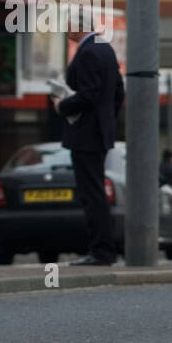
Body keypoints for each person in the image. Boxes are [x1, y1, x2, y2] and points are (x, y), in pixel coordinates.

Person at [55, 32, 124, 265]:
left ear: (77, 26)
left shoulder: (88, 52)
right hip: (98, 132)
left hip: (86, 134)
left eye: (68, 24)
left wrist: (62, 106)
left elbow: (89, 94)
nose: (65, 30)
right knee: (96, 191)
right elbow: (118, 92)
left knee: (91, 194)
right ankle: (102, 249)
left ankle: (101, 251)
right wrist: (107, 121)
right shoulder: (105, 49)